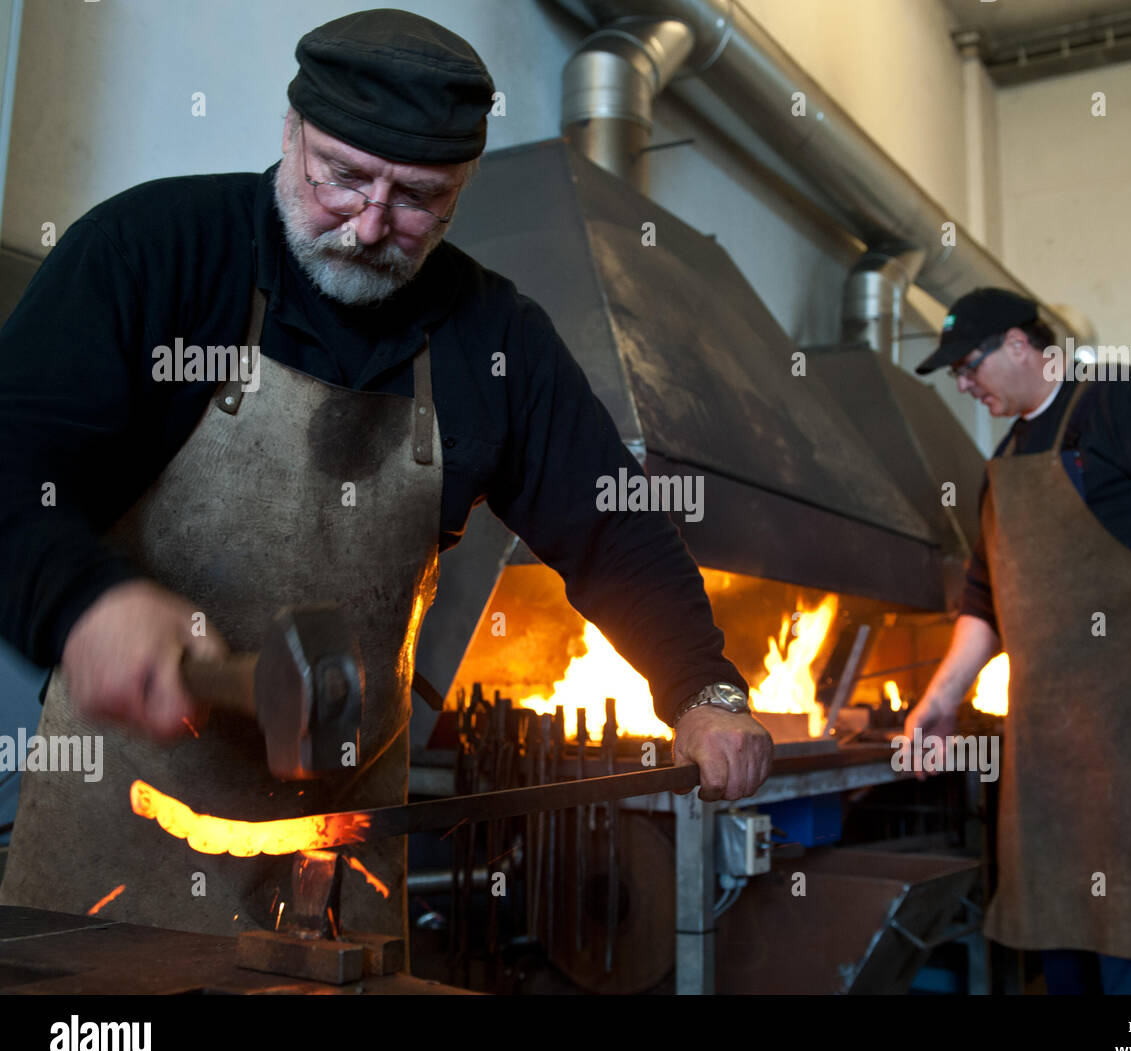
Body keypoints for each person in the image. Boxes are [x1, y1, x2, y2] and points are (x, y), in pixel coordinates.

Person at [0, 9, 771, 939]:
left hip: (344, 847)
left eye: (416, 197)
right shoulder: (152, 253)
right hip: (121, 838)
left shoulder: (496, 340)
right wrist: (83, 600)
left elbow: (615, 526)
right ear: (291, 133)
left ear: (461, 191)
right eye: (343, 176)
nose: (369, 224)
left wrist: (701, 689)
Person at [905, 287, 1131, 995]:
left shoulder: (1129, 400)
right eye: (953, 375)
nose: (963, 384)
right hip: (1051, 759)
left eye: (968, 366)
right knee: (1064, 940)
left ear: (1017, 343)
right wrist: (942, 695)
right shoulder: (1006, 460)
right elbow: (985, 598)